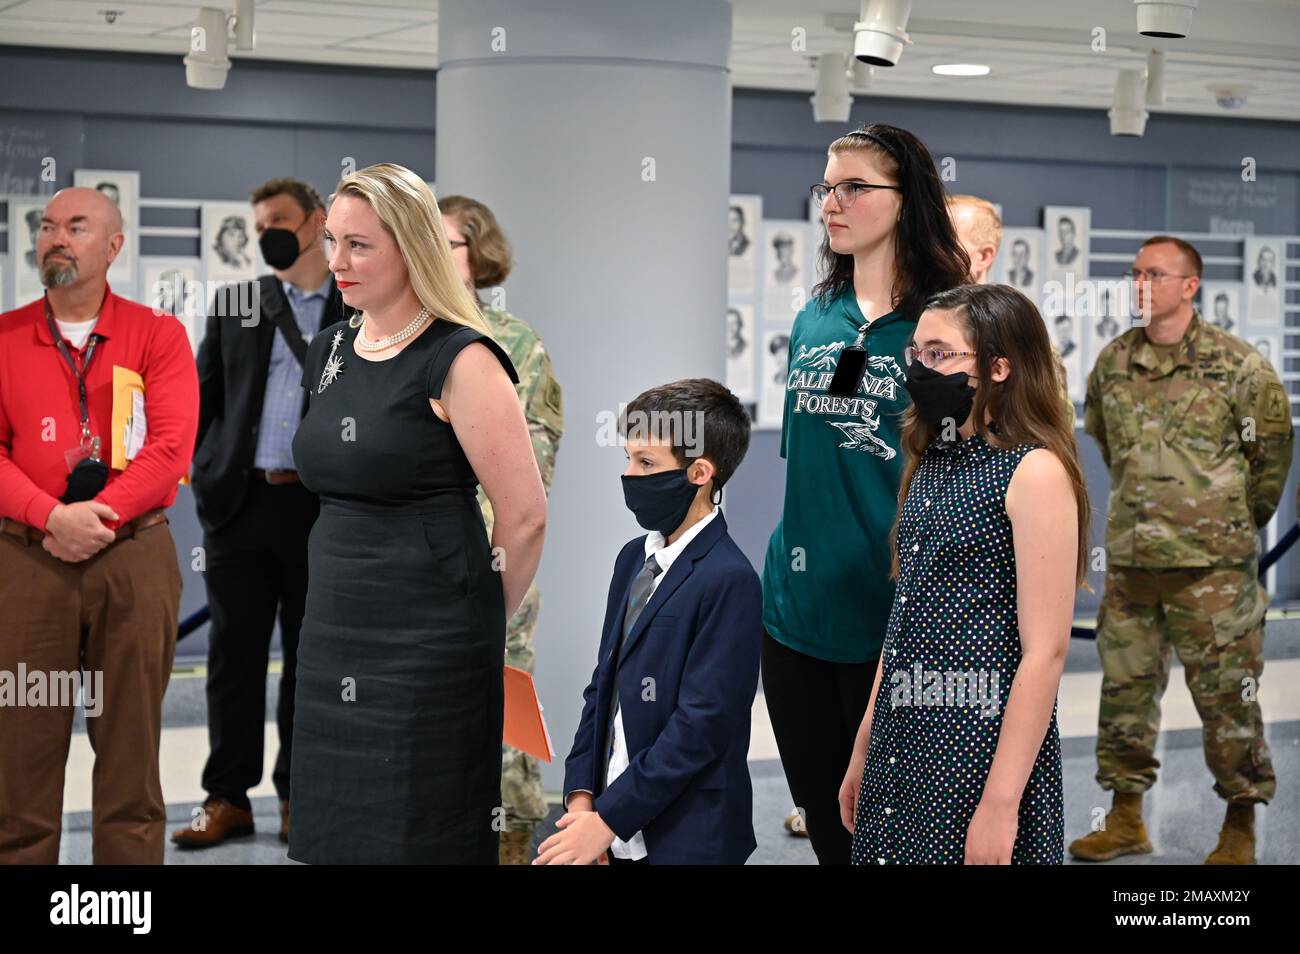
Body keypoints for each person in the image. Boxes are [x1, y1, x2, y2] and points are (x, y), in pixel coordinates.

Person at [288, 163, 547, 864]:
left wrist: (475, 617)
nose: (336, 262)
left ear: (410, 247)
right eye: (332, 241)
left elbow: (524, 516)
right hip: (335, 632)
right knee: (338, 833)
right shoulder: (332, 349)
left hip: (431, 647)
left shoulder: (461, 358)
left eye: (359, 245)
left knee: (419, 836)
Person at [762, 122, 970, 864]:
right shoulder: (816, 315)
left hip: (894, 622)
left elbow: (972, 477)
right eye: (827, 186)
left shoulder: (948, 326)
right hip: (794, 617)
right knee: (824, 826)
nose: (832, 202)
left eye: (855, 187)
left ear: (906, 197)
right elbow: (804, 455)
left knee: (894, 839)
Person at [842, 283, 1085, 864]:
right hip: (904, 738)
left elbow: (1045, 652)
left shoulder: (1035, 473)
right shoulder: (931, 459)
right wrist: (865, 740)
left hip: (978, 746)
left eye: (939, 354)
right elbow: (905, 619)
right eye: (915, 354)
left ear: (1000, 368)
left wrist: (1001, 802)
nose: (919, 368)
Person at [1075, 236, 1292, 865]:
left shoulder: (1239, 367)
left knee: (1228, 700)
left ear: (1190, 286)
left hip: (1213, 571)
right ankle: (1125, 820)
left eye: (1155, 274)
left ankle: (1240, 826)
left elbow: (1269, 460)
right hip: (1135, 564)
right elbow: (1109, 449)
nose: (1140, 284)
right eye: (1134, 273)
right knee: (1123, 697)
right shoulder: (1113, 362)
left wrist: (1226, 523)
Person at [0, 187, 198, 863]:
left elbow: (170, 449)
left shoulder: (158, 335)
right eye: (48, 227)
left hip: (133, 556)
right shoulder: (3, 337)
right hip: (26, 558)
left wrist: (95, 518)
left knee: (131, 752)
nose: (56, 237)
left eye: (76, 226)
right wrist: (50, 515)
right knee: (19, 755)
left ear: (113, 246)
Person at [175, 178, 345, 850]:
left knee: (312, 658)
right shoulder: (239, 302)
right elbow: (202, 399)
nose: (267, 231)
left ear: (315, 222)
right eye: (258, 223)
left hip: (320, 509)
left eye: (278, 219)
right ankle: (226, 797)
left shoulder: (353, 305)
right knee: (232, 657)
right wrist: (209, 473)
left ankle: (301, 796)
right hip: (240, 506)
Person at [544, 378, 761, 865]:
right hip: (611, 823)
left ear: (699, 472)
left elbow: (701, 727)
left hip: (686, 837)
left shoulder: (730, 580)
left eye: (646, 463)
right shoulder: (631, 560)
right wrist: (582, 796)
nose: (629, 475)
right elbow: (603, 686)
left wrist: (607, 819)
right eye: (627, 458)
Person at [440, 194, 565, 865]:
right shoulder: (388, 340)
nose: (435, 253)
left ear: (478, 256)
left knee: (504, 702)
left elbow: (531, 473)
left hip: (491, 561)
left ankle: (513, 839)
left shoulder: (514, 343)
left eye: (451, 243)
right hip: (412, 568)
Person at [948, 194, 1072, 421]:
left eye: (947, 242)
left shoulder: (1018, 335)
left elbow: (1052, 425)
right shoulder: (910, 323)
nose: (932, 251)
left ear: (984, 257)